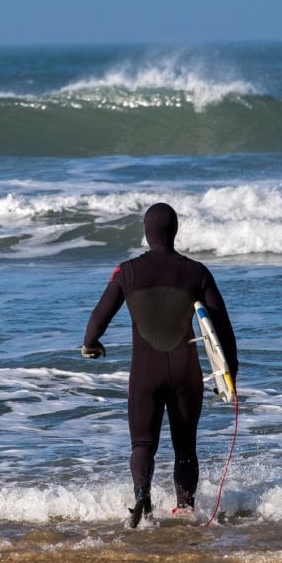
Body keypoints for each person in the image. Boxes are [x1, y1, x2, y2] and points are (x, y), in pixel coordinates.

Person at [81, 202, 238, 527]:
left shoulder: (128, 271)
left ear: (147, 232)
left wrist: (91, 344)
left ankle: (142, 496)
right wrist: (230, 370)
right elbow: (221, 325)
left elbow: (99, 316)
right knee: (185, 447)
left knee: (142, 444)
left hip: (145, 374)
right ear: (175, 230)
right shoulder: (197, 272)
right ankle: (185, 508)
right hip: (186, 373)